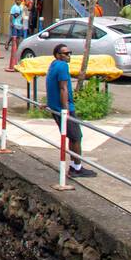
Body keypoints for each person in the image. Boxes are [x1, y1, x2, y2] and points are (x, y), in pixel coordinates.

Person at [45, 44, 95, 178]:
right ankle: (77, 169)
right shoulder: (62, 66)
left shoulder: (53, 65)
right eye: (65, 53)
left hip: (56, 108)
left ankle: (74, 166)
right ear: (57, 55)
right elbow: (63, 88)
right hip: (64, 109)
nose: (68, 56)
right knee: (77, 137)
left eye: (69, 53)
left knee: (72, 138)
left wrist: (49, 103)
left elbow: (51, 85)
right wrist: (66, 110)